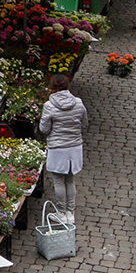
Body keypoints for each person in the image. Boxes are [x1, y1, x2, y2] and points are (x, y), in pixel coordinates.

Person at [39, 73, 88, 225]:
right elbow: (84, 124)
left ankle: (61, 213)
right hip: (74, 147)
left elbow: (44, 129)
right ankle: (70, 213)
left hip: (57, 148)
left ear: (52, 88)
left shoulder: (49, 106)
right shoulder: (78, 103)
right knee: (70, 180)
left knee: (58, 181)